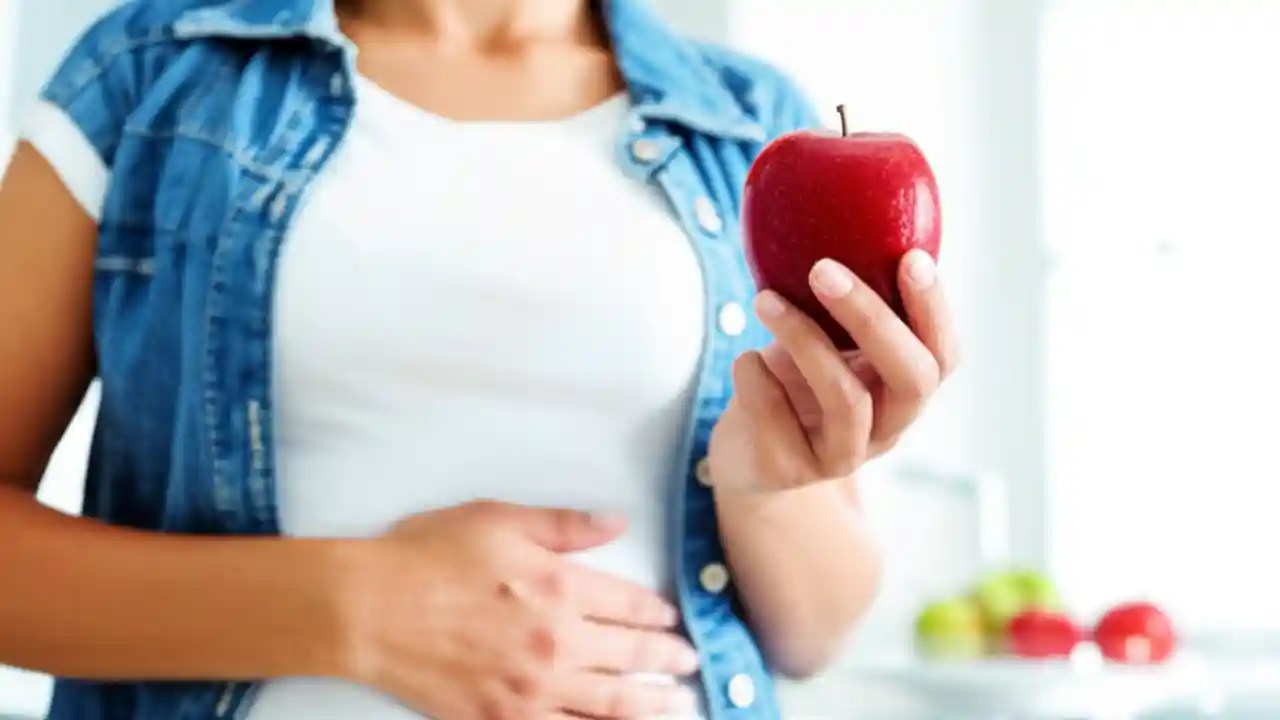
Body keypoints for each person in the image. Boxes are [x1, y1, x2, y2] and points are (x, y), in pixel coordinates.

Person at [0, 0, 957, 718]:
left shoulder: (749, 123)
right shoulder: (151, 78)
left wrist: (767, 482)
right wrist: (360, 608)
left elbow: (812, 635)